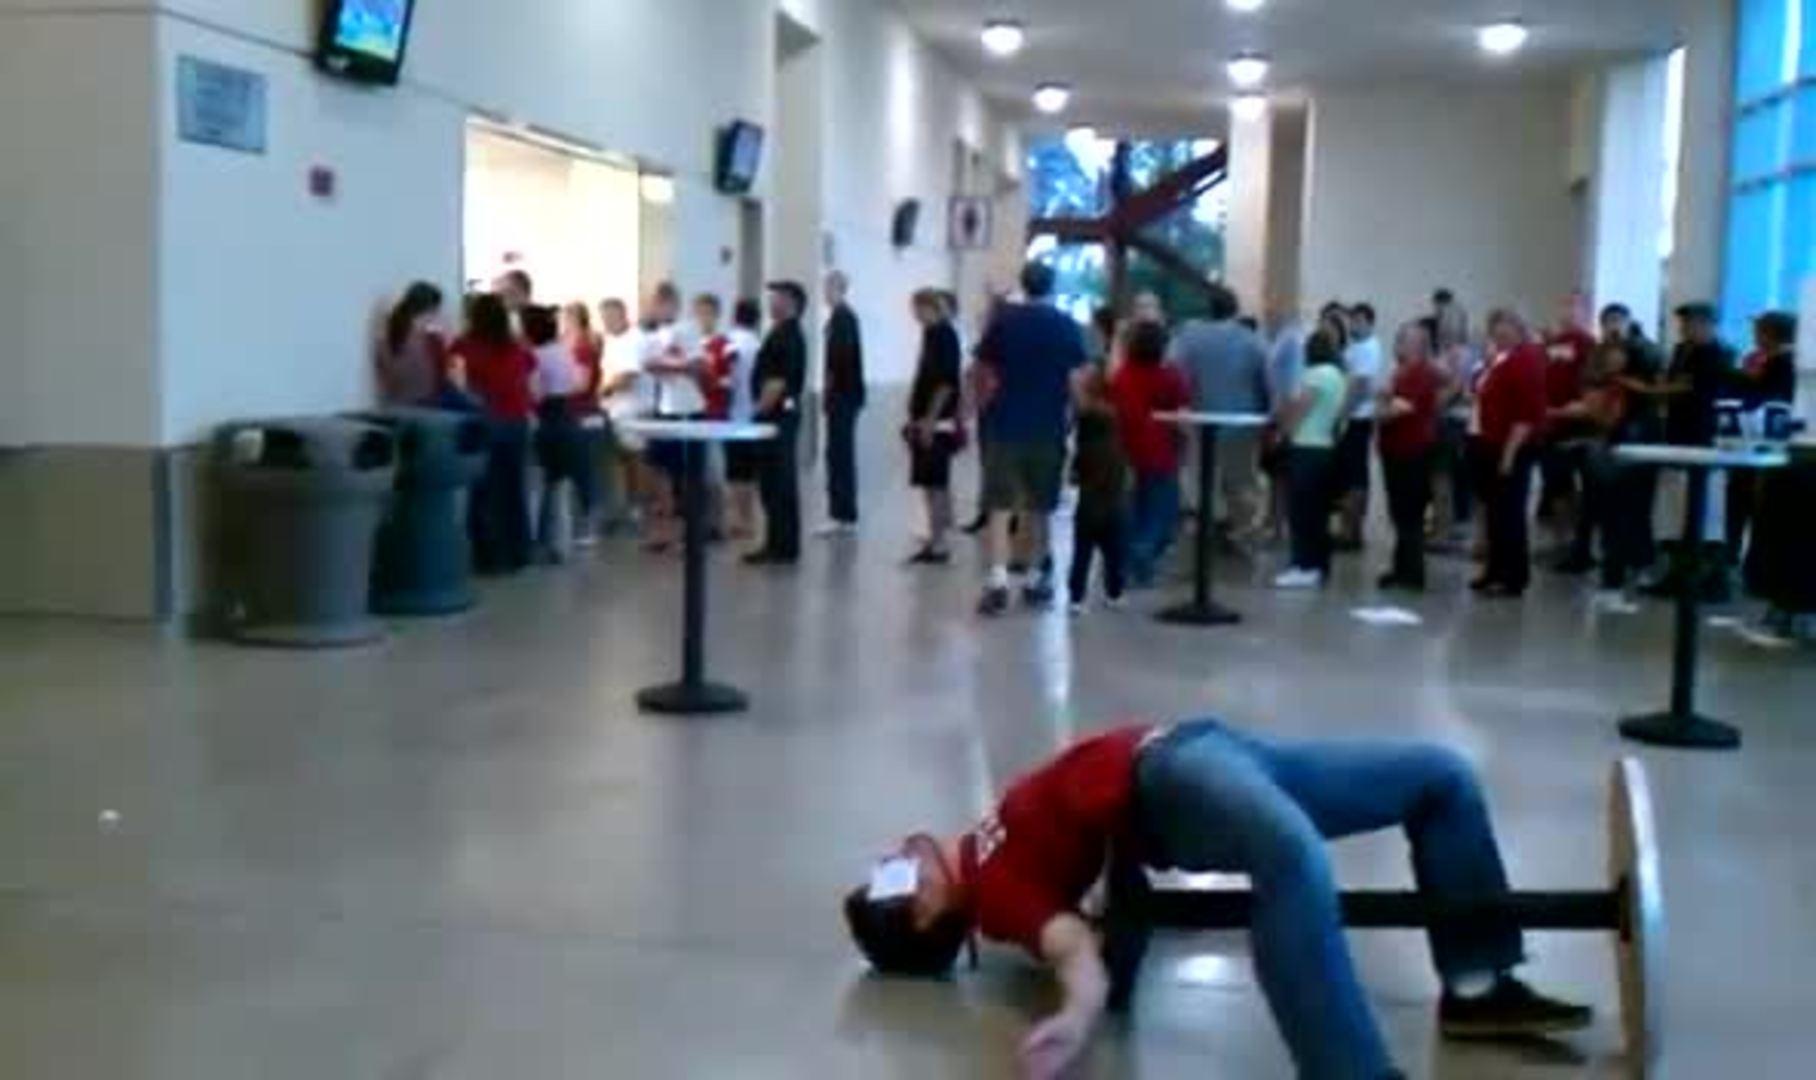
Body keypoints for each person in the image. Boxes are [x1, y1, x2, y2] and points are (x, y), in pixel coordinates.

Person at [843, 718, 1592, 1080]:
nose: (896, 856)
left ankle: (1477, 982)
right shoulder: (999, 898)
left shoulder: (983, 844)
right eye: (894, 878)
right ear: (924, 914)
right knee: (1292, 858)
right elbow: (1070, 948)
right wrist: (1075, 1015)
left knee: (1441, 777)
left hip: (1220, 749)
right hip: (1168, 783)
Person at [973, 262, 1091, 616]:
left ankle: (996, 580)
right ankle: (1036, 577)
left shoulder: (1004, 322)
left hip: (1005, 422)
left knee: (999, 505)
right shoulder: (1065, 325)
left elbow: (984, 370)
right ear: (1051, 286)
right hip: (1047, 426)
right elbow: (1076, 380)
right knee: (1040, 506)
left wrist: (981, 407)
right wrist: (1078, 418)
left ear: (1023, 285)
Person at [1167, 283, 1269, 549]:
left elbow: (1173, 371)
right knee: (1240, 479)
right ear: (1235, 310)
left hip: (1200, 419)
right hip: (1242, 422)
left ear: (1208, 309)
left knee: (1203, 477)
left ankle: (1211, 523)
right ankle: (1238, 528)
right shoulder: (1251, 340)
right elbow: (1266, 379)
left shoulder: (1189, 337)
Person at [449, 293, 536, 574]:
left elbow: (457, 385)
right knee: (513, 489)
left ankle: (489, 556)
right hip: (517, 421)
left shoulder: (464, 345)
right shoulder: (515, 346)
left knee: (484, 492)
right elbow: (530, 373)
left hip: (484, 421)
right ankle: (519, 552)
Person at [1471, 310, 1549, 599]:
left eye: (1504, 329)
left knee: (1510, 512)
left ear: (1518, 329)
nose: (1498, 335)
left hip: (1511, 445)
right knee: (1494, 512)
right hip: (1488, 441)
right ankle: (1494, 569)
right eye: (1495, 330)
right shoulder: (1500, 360)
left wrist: (1509, 454)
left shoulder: (1525, 360)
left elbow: (1525, 414)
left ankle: (1512, 576)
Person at [1111, 321, 1192, 588]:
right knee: (1162, 511)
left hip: (1127, 449)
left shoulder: (1123, 375)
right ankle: (1143, 555)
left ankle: (1128, 560)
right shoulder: (1171, 376)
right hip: (1161, 451)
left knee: (1134, 507)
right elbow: (1183, 413)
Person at [1273, 330, 1348, 589]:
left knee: (1302, 511)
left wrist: (1283, 430)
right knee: (1318, 513)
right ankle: (1319, 565)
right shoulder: (1338, 376)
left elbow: (1300, 408)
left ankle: (1303, 566)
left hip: (1306, 447)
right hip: (1326, 446)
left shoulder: (1316, 375)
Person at [1725, 310, 1798, 562]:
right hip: (1759, 440)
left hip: (1761, 441)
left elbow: (1764, 399)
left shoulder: (1782, 364)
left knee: (1748, 502)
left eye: (1758, 330)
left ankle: (1740, 557)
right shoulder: (1775, 361)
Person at [1376, 321, 1443, 591]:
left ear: (1417, 344)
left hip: (1411, 451)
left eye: (1404, 340)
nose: (1399, 344)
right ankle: (1401, 567)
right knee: (1400, 512)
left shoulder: (1419, 373)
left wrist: (1381, 406)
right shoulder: (1403, 372)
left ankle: (1412, 573)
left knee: (1409, 513)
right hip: (1396, 450)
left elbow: (1396, 409)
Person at [746, 281, 809, 566]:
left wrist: (758, 413)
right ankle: (778, 542)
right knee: (774, 482)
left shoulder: (787, 336)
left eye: (778, 298)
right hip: (778, 415)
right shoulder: (782, 332)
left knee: (777, 481)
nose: (772, 303)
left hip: (776, 417)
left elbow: (777, 381)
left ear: (792, 303)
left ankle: (782, 546)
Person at [640, 283, 703, 553]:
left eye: (661, 303)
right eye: (654, 304)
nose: (657, 309)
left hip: (685, 407)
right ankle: (664, 533)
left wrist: (667, 365)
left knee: (683, 476)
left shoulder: (687, 330)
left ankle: (686, 536)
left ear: (674, 304)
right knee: (659, 470)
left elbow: (696, 365)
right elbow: (648, 363)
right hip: (664, 407)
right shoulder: (655, 334)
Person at [905, 289, 964, 566]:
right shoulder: (931, 335)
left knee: (935, 482)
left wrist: (930, 420)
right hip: (925, 419)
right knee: (928, 483)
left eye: (917, 308)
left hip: (936, 422)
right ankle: (933, 536)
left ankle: (939, 541)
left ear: (930, 307)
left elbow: (944, 382)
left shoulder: (943, 335)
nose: (914, 314)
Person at [523, 305, 584, 563]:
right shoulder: (564, 351)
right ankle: (562, 544)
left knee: (535, 486)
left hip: (544, 419)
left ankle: (532, 542)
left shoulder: (533, 356)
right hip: (567, 417)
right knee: (560, 486)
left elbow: (535, 393)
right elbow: (574, 384)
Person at [1068, 364, 1128, 614]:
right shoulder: (1115, 438)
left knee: (1082, 553)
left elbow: (1076, 472)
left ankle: (1077, 598)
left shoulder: (1086, 434)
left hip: (1088, 503)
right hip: (1114, 501)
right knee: (1114, 554)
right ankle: (1114, 592)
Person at [1540, 294, 1597, 549]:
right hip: (1550, 422)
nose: (1568, 311)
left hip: (1575, 422)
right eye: (1565, 306)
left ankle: (1577, 541)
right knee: (1555, 483)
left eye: (1575, 307)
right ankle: (1560, 540)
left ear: (1585, 312)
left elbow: (1592, 380)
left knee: (1573, 483)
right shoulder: (1553, 344)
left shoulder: (1588, 344)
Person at [819, 271, 867, 536]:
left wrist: (829, 389)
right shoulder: (839, 318)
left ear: (839, 288)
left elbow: (839, 360)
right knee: (837, 453)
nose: (825, 292)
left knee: (840, 454)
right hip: (845, 395)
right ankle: (840, 511)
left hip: (844, 396)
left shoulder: (843, 319)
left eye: (829, 287)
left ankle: (842, 513)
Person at [596, 298, 649, 534]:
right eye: (604, 318)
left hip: (633, 408)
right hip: (613, 409)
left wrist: (600, 391)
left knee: (633, 459)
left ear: (623, 315)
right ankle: (618, 509)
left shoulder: (635, 339)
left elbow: (628, 376)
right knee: (615, 460)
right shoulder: (610, 340)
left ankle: (636, 509)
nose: (607, 322)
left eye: (610, 317)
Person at [1336, 303, 1384, 550]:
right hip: (1352, 417)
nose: (1353, 325)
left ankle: (1352, 530)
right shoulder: (1356, 346)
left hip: (1357, 418)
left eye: (1357, 321)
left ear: (1368, 322)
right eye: (1351, 320)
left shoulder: (1369, 348)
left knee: (1355, 476)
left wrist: (1341, 415)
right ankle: (1347, 528)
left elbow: (1360, 386)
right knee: (1348, 475)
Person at [561, 302, 606, 546]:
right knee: (577, 472)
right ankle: (578, 523)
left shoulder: (583, 348)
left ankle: (590, 525)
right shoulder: (567, 345)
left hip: (585, 415)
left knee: (586, 472)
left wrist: (556, 385)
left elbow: (582, 383)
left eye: (566, 318)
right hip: (572, 414)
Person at [721, 298, 765, 541]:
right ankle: (747, 519)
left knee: (733, 470)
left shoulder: (729, 344)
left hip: (732, 413)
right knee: (748, 471)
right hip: (752, 412)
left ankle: (736, 518)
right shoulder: (758, 345)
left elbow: (726, 377)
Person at [375, 281, 449, 407]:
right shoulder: (432, 341)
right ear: (430, 310)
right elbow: (441, 383)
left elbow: (386, 382)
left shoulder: (384, 342)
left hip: (394, 410)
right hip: (428, 411)